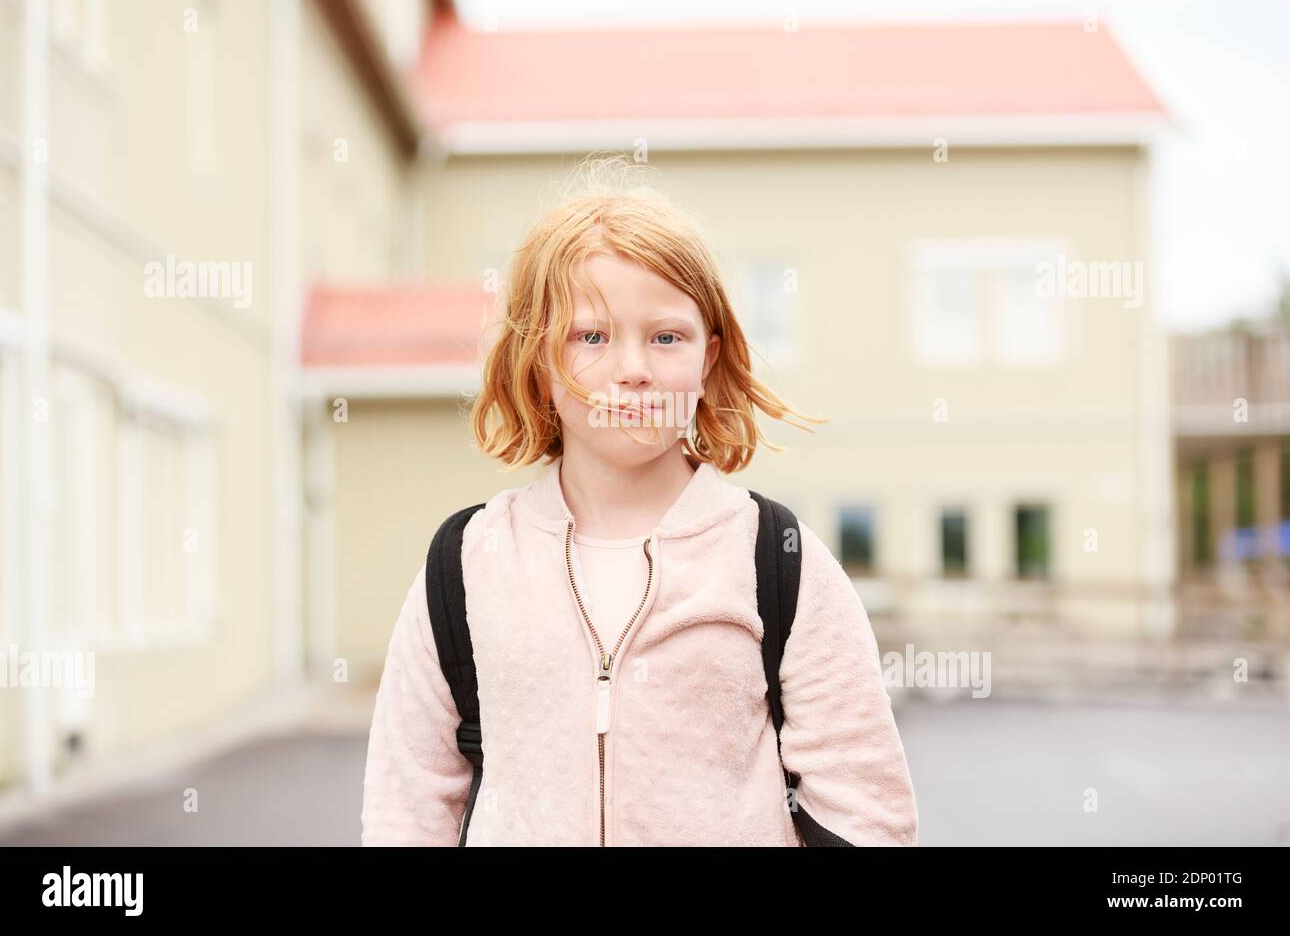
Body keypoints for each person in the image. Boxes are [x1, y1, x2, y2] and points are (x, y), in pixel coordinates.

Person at [360, 156, 919, 846]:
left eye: (666, 336)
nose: (632, 369)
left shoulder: (777, 557)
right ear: (538, 359)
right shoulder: (467, 563)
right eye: (591, 336)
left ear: (708, 358)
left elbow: (866, 809)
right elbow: (405, 804)